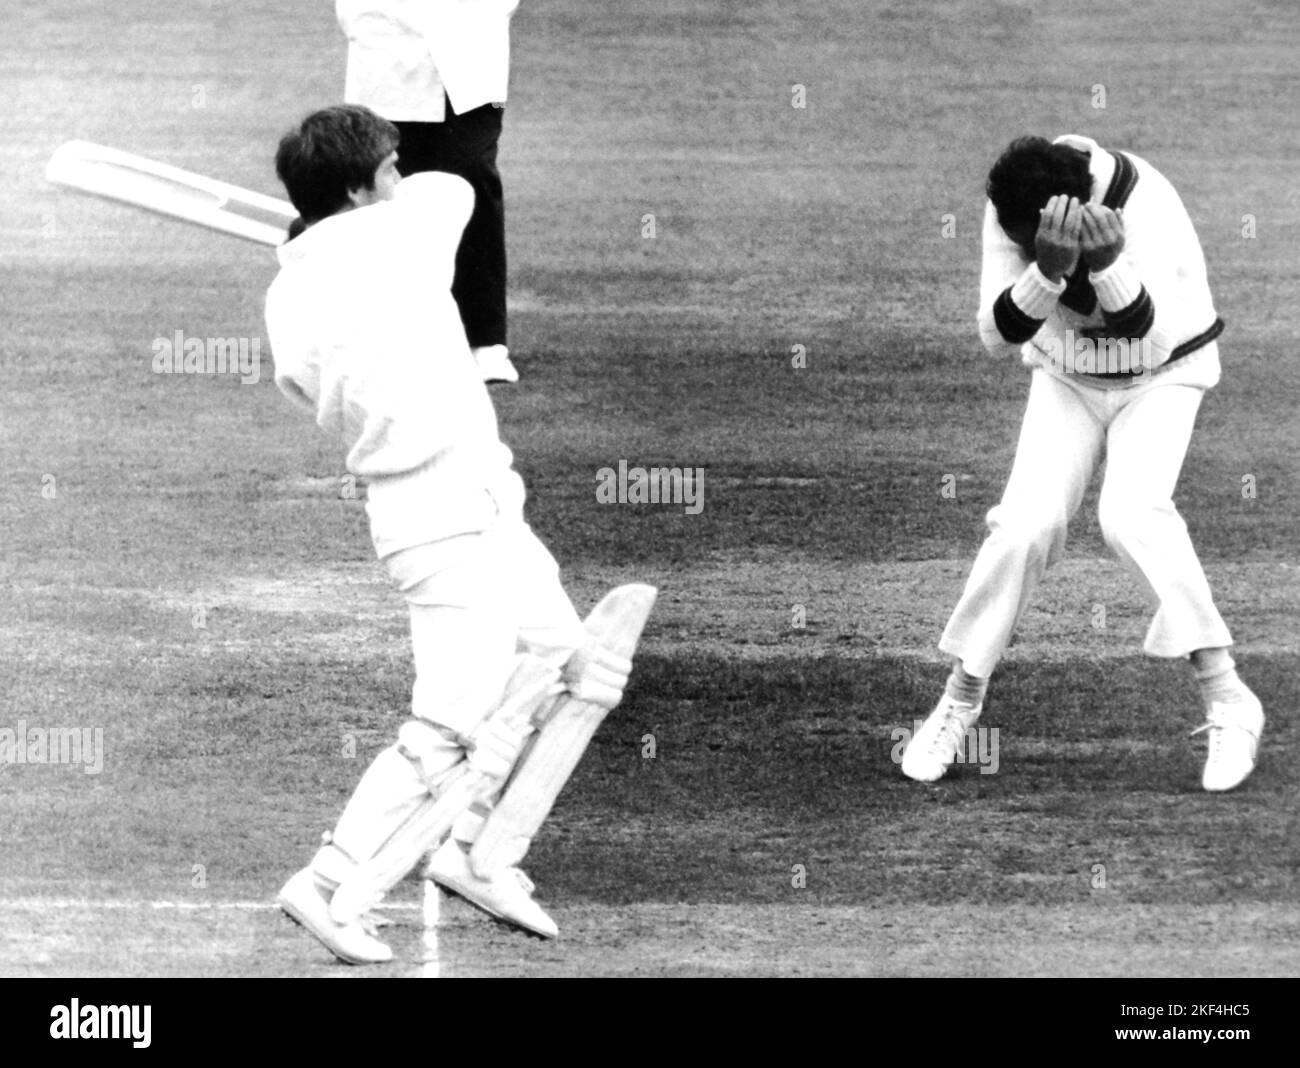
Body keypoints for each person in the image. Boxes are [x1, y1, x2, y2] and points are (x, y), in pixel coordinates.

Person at [266, 105, 630, 964]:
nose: (401, 174)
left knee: (582, 671)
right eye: (386, 167)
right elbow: (456, 187)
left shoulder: (290, 293)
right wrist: (354, 231)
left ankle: (480, 851)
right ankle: (326, 882)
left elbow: (298, 384)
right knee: (447, 727)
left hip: (478, 502)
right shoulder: (409, 230)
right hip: (437, 520)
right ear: (361, 189)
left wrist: (311, 244)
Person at [902, 134, 1264, 793]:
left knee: (1131, 517)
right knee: (1023, 526)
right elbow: (995, 332)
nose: (1012, 246)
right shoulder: (1012, 203)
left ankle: (1229, 698)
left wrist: (1104, 264)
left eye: (1027, 242)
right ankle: (960, 699)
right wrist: (1043, 270)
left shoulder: (1143, 203)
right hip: (1067, 377)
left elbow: (1142, 335)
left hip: (1164, 373)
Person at [335, 0, 522, 384]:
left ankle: (484, 340)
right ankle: (389, 334)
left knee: (472, 176)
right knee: (385, 185)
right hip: (386, 52)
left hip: (471, 53)